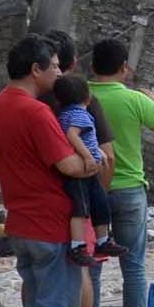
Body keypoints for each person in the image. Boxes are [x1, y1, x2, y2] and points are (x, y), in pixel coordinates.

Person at [0, 36, 102, 307]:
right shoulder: (36, 112)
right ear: (35, 69)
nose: (59, 72)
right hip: (51, 223)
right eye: (54, 66)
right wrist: (92, 161)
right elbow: (67, 164)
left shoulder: (1, 106)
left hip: (21, 220)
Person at [84, 40, 154, 307]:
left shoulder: (80, 97)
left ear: (92, 66)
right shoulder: (135, 100)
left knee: (91, 267)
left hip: (91, 192)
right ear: (124, 68)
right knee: (133, 267)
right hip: (131, 191)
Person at [49, 74, 123, 270]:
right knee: (81, 209)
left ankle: (102, 241)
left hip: (87, 171)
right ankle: (79, 246)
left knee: (96, 205)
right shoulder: (79, 114)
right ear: (87, 98)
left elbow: (86, 138)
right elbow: (72, 135)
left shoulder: (63, 114)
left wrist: (96, 151)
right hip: (83, 172)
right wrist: (89, 157)